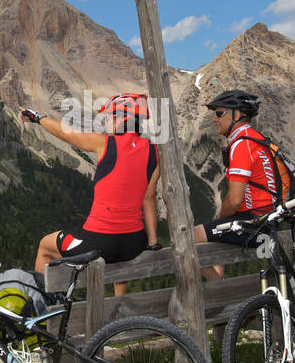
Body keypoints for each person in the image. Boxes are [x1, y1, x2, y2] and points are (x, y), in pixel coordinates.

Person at [23, 93, 161, 296]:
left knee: (44, 246)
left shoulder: (104, 143)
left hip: (99, 242)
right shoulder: (154, 152)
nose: (108, 121)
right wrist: (153, 242)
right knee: (120, 252)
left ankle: (42, 304)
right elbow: (149, 199)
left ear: (120, 118)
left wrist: (37, 117)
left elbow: (65, 133)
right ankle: (119, 306)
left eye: (110, 117)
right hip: (134, 243)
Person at [192, 89, 279, 280]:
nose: (215, 119)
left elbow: (233, 200)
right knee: (219, 227)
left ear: (237, 115)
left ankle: (218, 287)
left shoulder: (242, 144)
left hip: (255, 222)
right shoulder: (254, 138)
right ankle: (218, 281)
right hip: (266, 218)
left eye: (219, 113)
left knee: (187, 240)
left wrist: (218, 220)